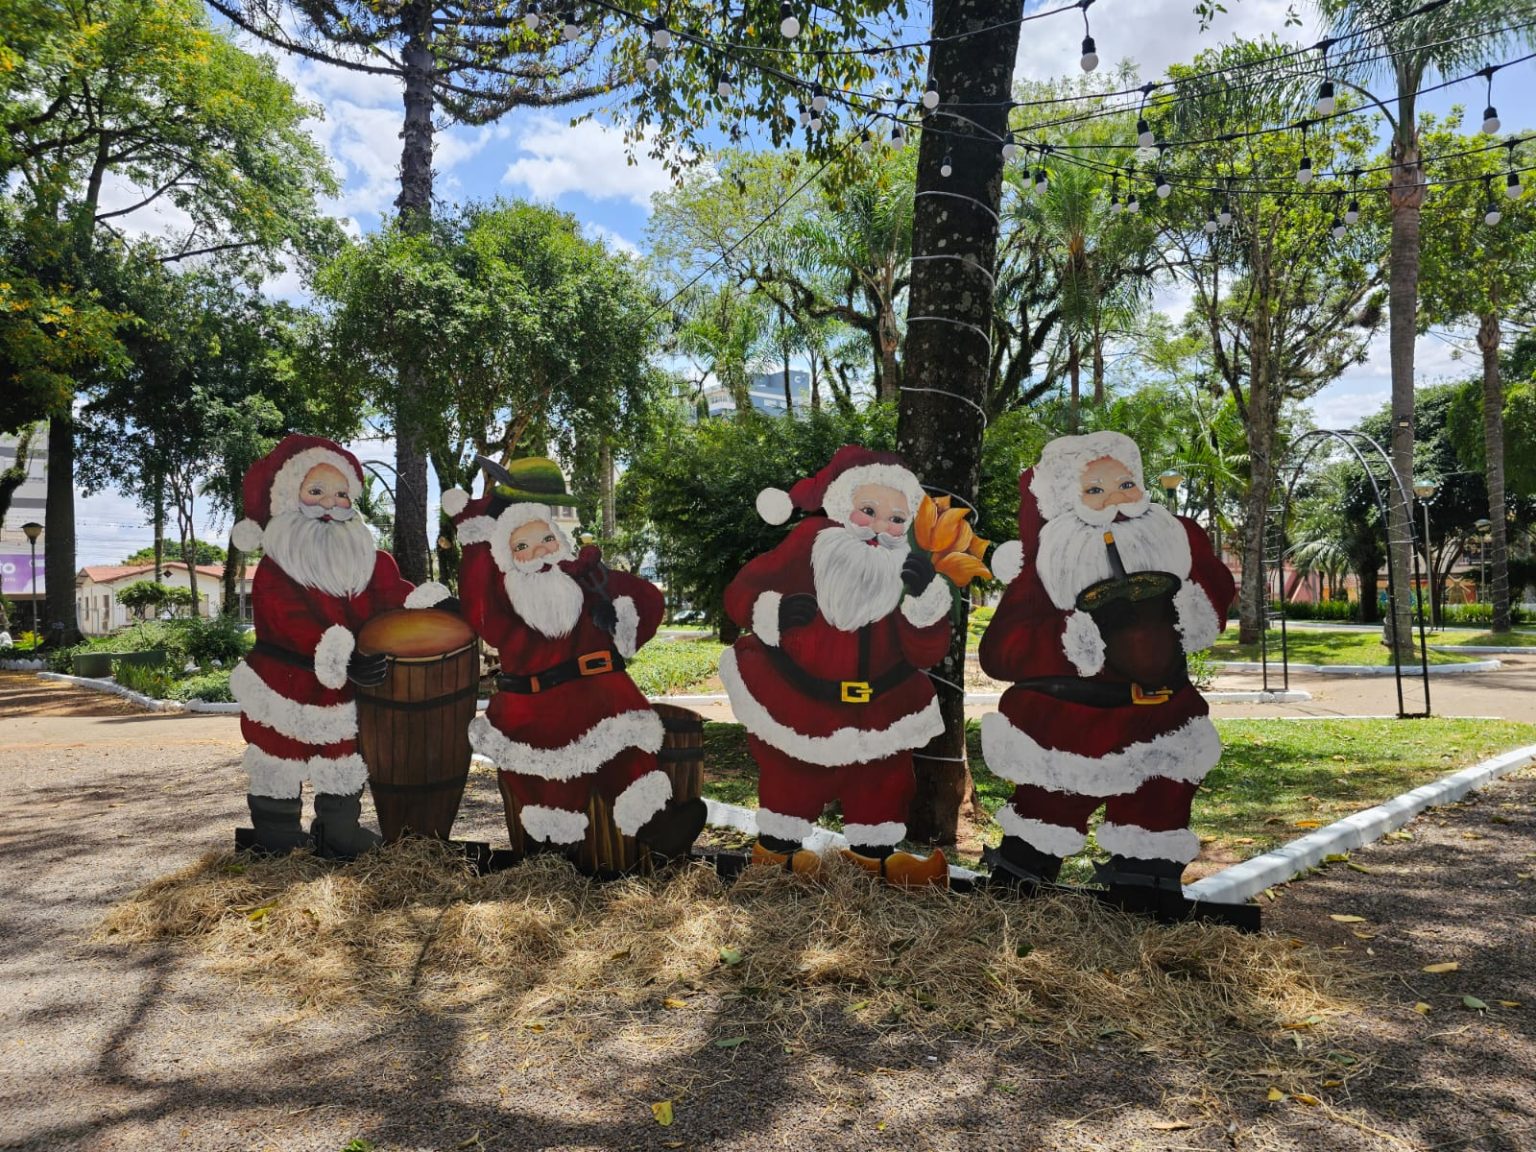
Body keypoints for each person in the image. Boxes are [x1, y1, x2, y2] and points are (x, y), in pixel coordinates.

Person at [978, 431, 1236, 893]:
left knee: (1158, 806)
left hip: (1162, 717)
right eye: (1094, 491)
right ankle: (1019, 880)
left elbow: (1216, 593)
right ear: (1066, 502)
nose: (1116, 501)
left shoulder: (1174, 541)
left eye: (1125, 485)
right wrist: (1076, 633)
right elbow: (1000, 653)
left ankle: (1146, 889)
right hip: (1070, 724)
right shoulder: (1045, 569)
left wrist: (1186, 607)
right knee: (1048, 807)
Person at [445, 457, 705, 866]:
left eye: (545, 540)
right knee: (549, 781)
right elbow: (481, 611)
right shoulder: (506, 594)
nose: (538, 554)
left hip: (604, 700)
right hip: (538, 708)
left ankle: (656, 824)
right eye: (522, 547)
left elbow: (647, 601)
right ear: (508, 555)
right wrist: (476, 537)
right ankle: (554, 847)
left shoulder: (581, 577)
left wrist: (615, 608)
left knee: (628, 758)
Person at [721, 446, 953, 886]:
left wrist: (924, 602)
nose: (880, 527)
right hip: (803, 699)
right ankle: (779, 853)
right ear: (844, 507)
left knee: (883, 779)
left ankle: (875, 858)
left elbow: (926, 652)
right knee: (794, 773)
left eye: (896, 519)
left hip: (881, 706)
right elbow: (742, 591)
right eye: (868, 511)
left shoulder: (907, 566)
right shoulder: (810, 542)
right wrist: (769, 610)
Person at [228, 435, 451, 856]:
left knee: (342, 757)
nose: (330, 504)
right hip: (285, 684)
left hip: (342, 690)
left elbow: (392, 599)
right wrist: (342, 656)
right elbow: (289, 624)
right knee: (279, 755)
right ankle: (277, 835)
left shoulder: (369, 562)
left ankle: (338, 831)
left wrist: (429, 606)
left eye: (341, 494)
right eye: (316, 492)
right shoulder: (277, 569)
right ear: (288, 500)